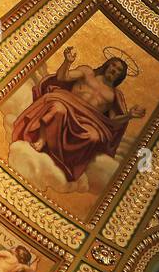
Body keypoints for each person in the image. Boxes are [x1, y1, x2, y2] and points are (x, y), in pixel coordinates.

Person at [11, 47, 144, 182]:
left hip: (90, 120)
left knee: (94, 137)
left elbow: (114, 121)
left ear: (120, 76)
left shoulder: (115, 95)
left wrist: (129, 115)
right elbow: (63, 76)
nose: (114, 69)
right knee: (57, 109)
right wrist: (67, 62)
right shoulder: (87, 72)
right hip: (68, 104)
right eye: (113, 65)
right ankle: (42, 140)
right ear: (107, 65)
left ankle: (67, 161)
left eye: (118, 70)